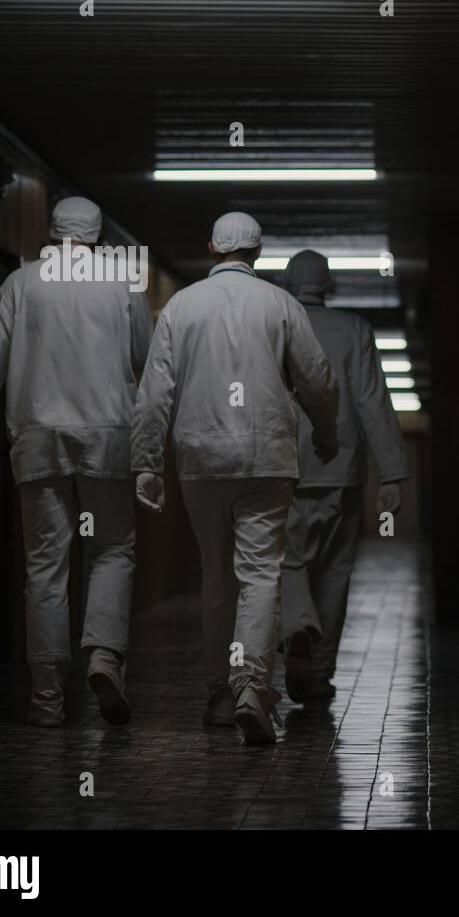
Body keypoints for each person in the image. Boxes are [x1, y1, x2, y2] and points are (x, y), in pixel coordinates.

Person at [131, 213, 339, 745]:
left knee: (215, 574)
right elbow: (316, 378)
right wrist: (327, 429)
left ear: (210, 248)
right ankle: (250, 687)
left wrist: (147, 462)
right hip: (266, 454)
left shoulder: (179, 306)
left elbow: (155, 392)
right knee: (260, 574)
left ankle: (220, 696)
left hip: (201, 456)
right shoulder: (281, 305)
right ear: (259, 252)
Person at [0, 196, 151, 727]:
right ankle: (104, 657)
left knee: (45, 566)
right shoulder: (124, 280)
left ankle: (47, 699)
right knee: (111, 551)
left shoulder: (20, 283)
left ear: (52, 232)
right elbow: (145, 364)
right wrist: (152, 447)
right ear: (98, 235)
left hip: (37, 435)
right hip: (108, 434)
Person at [274, 250, 409, 703]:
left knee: (287, 561)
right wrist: (391, 473)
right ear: (329, 287)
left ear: (288, 285)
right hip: (341, 470)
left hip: (284, 465)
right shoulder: (355, 330)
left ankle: (296, 627)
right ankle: (319, 673)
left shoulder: (274, 324)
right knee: (334, 572)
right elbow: (372, 401)